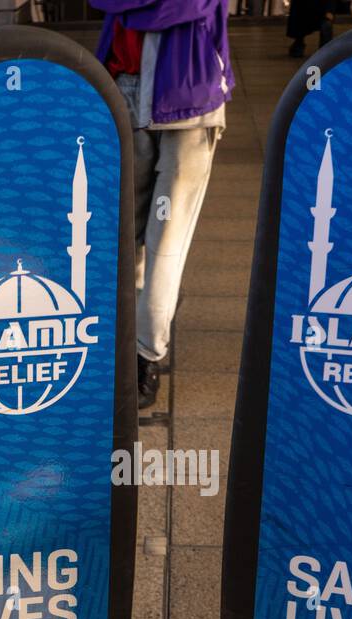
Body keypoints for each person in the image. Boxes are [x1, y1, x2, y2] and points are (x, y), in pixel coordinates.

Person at [91, 0, 235, 408]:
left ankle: (145, 354)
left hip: (188, 107)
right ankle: (128, 335)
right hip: (123, 93)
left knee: (165, 244)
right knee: (123, 234)